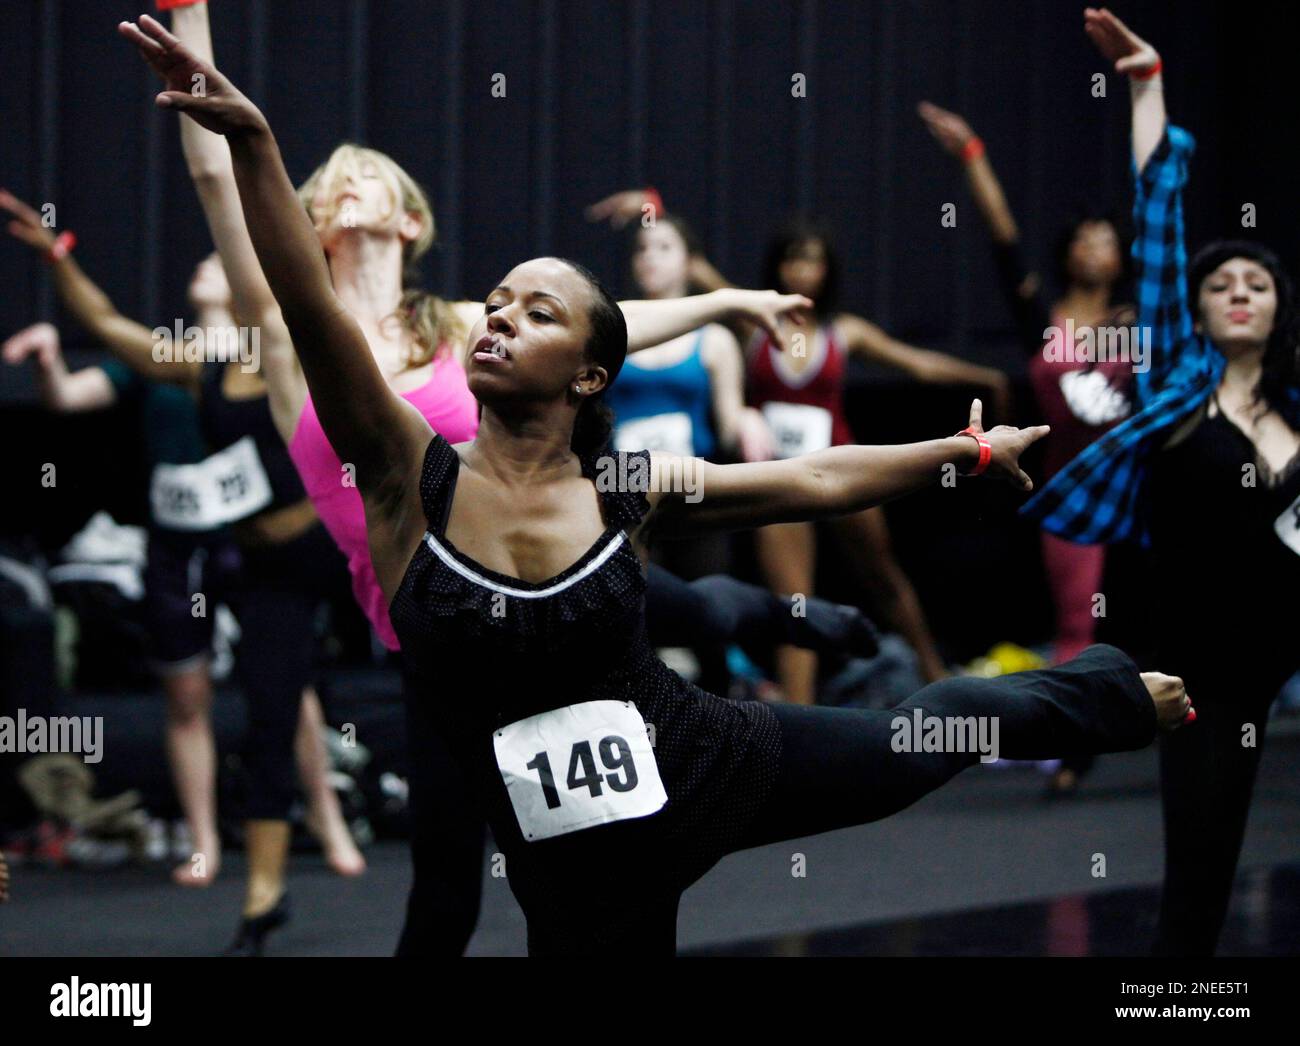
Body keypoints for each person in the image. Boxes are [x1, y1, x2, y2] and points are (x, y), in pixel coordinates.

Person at [120, 11, 1194, 954]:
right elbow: (304, 305)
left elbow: (810, 474)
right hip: (568, 841)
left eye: (535, 312)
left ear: (591, 370)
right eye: (495, 301)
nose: (497, 316)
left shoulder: (620, 482)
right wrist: (256, 142)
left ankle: (1099, 692)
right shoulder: (407, 471)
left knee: (926, 733)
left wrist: (957, 455)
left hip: (700, 756)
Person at [161, 0, 815, 956]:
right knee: (450, 874)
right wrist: (192, 22)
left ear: (409, 217)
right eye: (329, 182)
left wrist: (728, 302)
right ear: (307, 217)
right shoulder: (289, 329)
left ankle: (800, 618)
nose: (346, 183)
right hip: (435, 621)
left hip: (544, 562)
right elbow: (217, 168)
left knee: (702, 608)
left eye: (369, 177)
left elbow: (609, 321)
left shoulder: (465, 324)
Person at [0, 233, 364, 955]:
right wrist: (55, 287)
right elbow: (90, 359)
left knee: (286, 688)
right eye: (200, 260)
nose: (204, 265)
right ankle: (206, 841)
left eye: (219, 261)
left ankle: (326, 815)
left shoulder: (276, 354)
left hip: (271, 546)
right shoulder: (176, 362)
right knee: (202, 694)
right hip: (194, 542)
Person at [1023, 7, 1300, 954]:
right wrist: (1148, 86)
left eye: (1256, 285)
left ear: (1278, 311)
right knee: (1203, 850)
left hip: (1280, 648)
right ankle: (1177, 997)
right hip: (1199, 664)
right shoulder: (1181, 382)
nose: (1236, 292)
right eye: (1222, 283)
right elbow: (1159, 218)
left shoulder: (1299, 414)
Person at [917, 100, 1139, 795]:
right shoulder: (1043, 316)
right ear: (1071, 249)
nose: (1096, 245)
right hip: (1068, 491)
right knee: (1076, 620)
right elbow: (1005, 239)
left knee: (1145, 614)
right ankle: (1075, 747)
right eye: (1086, 236)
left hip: (1139, 486)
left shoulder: (1141, 321)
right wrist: (974, 155)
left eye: (1108, 237)